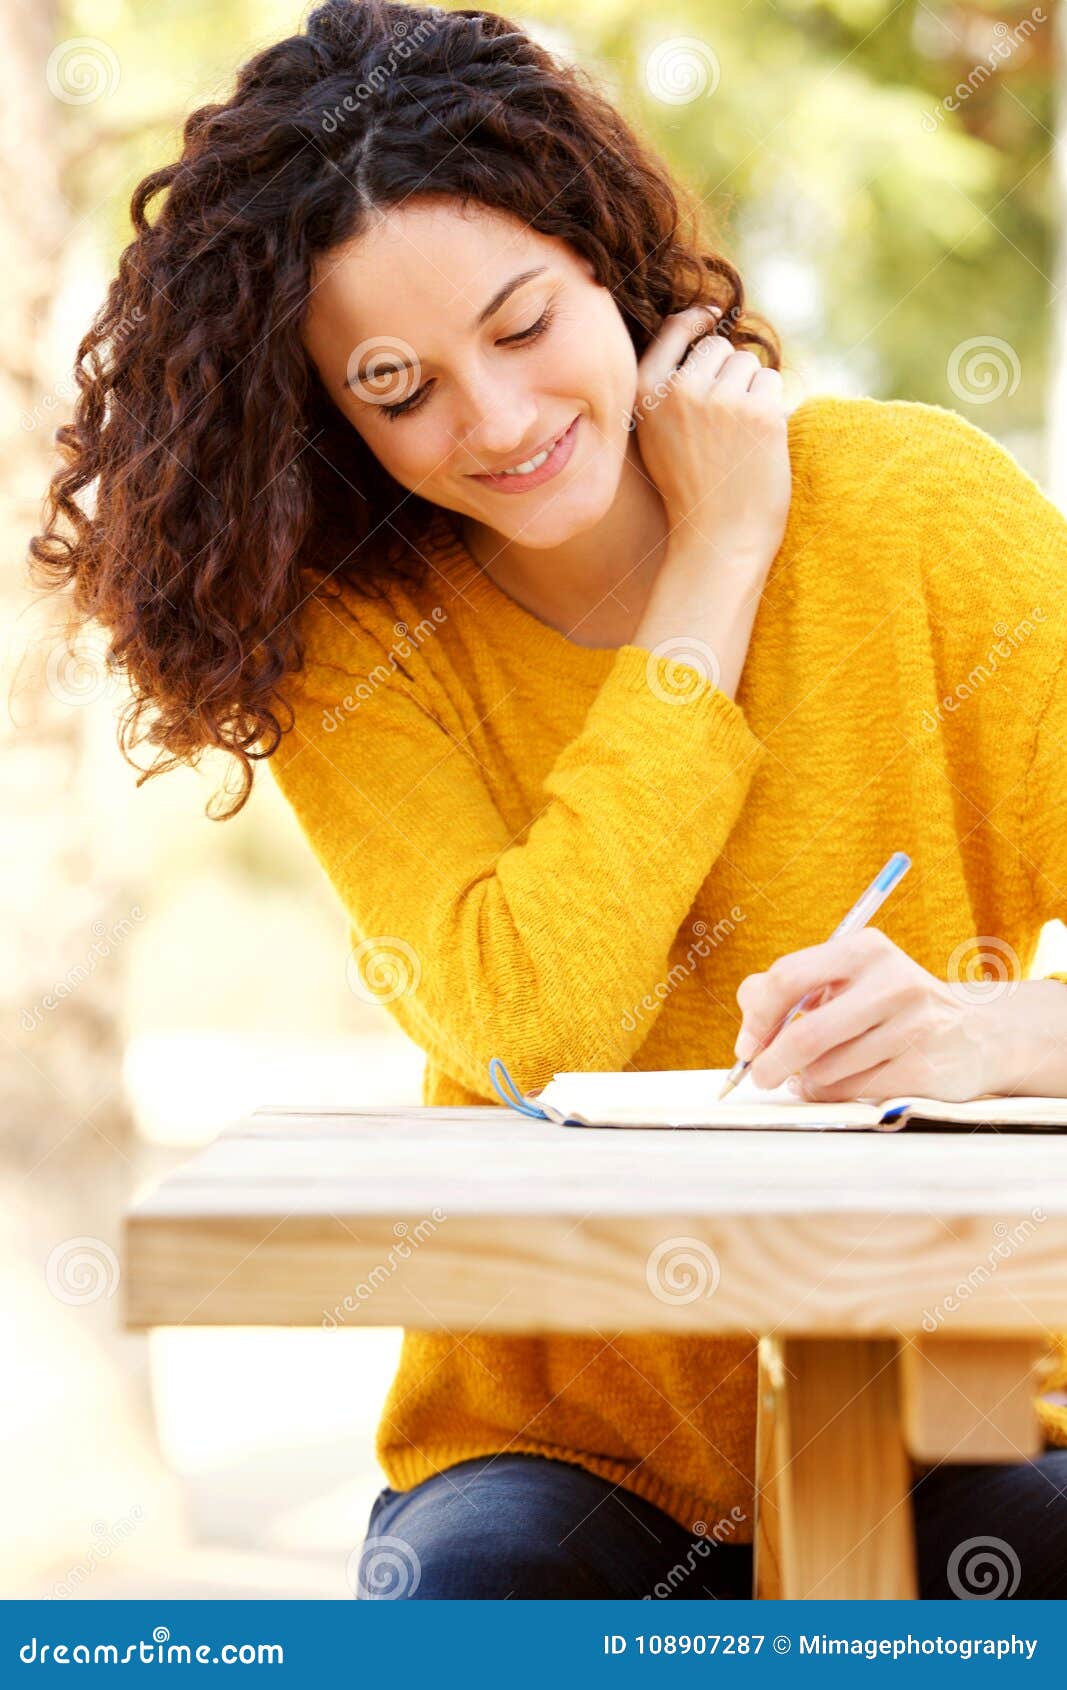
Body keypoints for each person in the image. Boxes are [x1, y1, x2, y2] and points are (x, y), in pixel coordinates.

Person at [30, 0, 1067, 1599]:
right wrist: (713, 571)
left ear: (611, 266)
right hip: (579, 1448)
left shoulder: (921, 513)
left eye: (522, 327)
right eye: (399, 385)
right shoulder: (355, 637)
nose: (496, 422)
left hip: (991, 1404)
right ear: (330, 413)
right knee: (462, 1615)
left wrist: (993, 1035)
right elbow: (533, 1018)